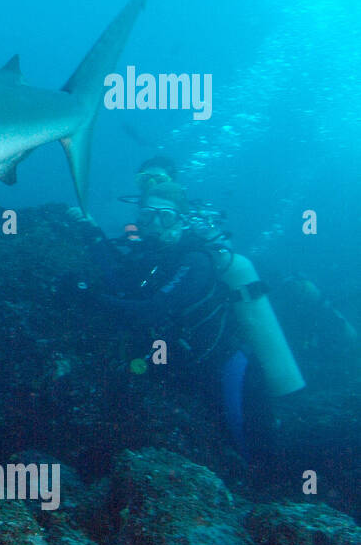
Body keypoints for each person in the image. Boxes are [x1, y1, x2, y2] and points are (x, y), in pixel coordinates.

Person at [74, 158, 304, 454]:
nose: (155, 224)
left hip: (228, 373)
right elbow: (123, 283)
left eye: (166, 217)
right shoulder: (156, 255)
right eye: (148, 216)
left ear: (181, 220)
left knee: (253, 456)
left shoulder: (195, 260)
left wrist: (86, 297)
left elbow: (150, 311)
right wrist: (93, 235)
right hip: (190, 372)